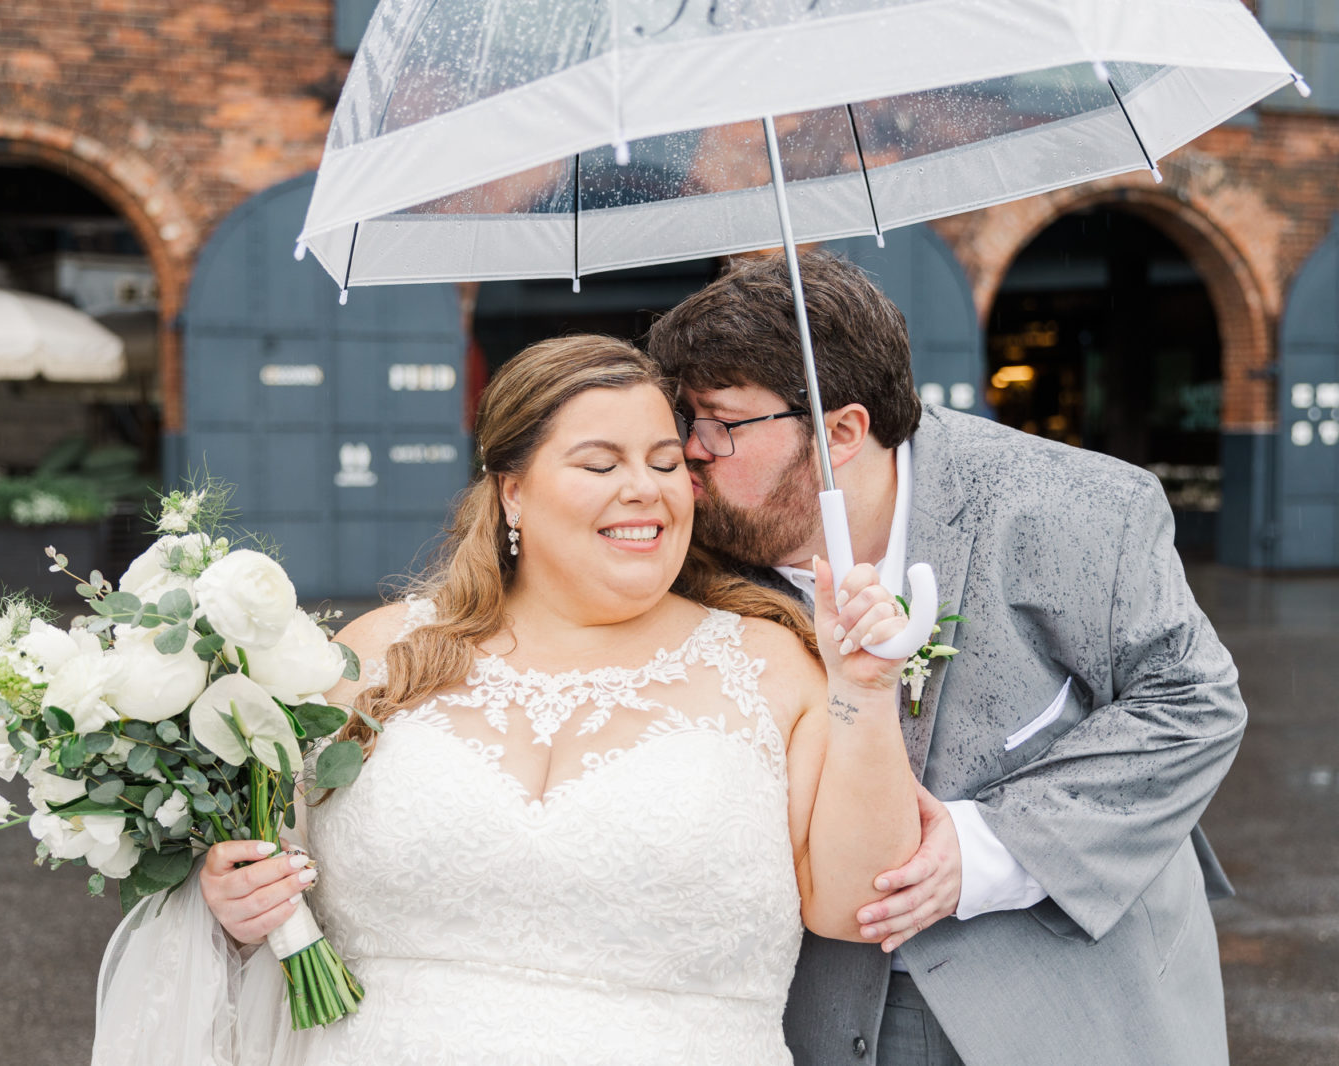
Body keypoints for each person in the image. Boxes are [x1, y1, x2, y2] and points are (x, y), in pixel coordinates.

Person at [98, 335, 925, 1065]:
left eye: (667, 462)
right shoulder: (374, 657)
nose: (646, 488)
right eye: (601, 464)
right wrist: (236, 900)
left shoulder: (777, 666)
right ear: (512, 493)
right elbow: (269, 869)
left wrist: (867, 692)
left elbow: (858, 906)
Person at [646, 251, 1247, 1066]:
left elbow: (1194, 703)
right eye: (681, 421)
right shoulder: (675, 551)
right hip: (809, 1009)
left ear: (843, 432)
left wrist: (988, 849)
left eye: (717, 423)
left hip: (1068, 999)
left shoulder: (1077, 508)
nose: (688, 452)